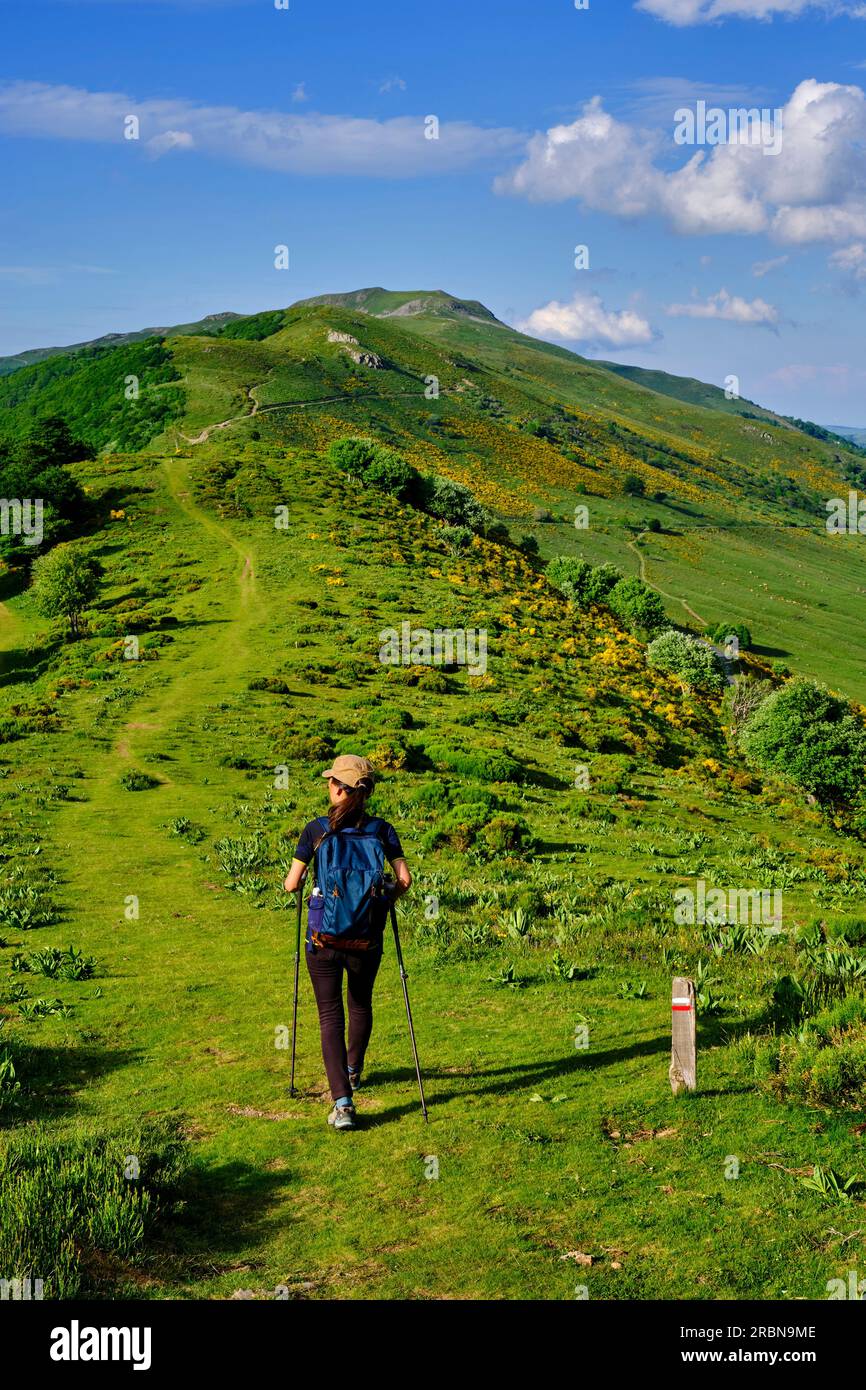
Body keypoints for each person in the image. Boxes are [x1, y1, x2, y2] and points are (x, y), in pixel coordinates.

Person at [284, 754, 411, 1131]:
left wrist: (308, 886)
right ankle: (353, 1070)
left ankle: (342, 1102)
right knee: (360, 1003)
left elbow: (292, 883)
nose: (329, 785)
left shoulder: (316, 830)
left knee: (329, 1015)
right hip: (367, 936)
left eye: (331, 781)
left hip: (324, 936)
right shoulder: (382, 830)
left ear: (340, 787)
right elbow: (403, 880)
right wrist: (383, 899)